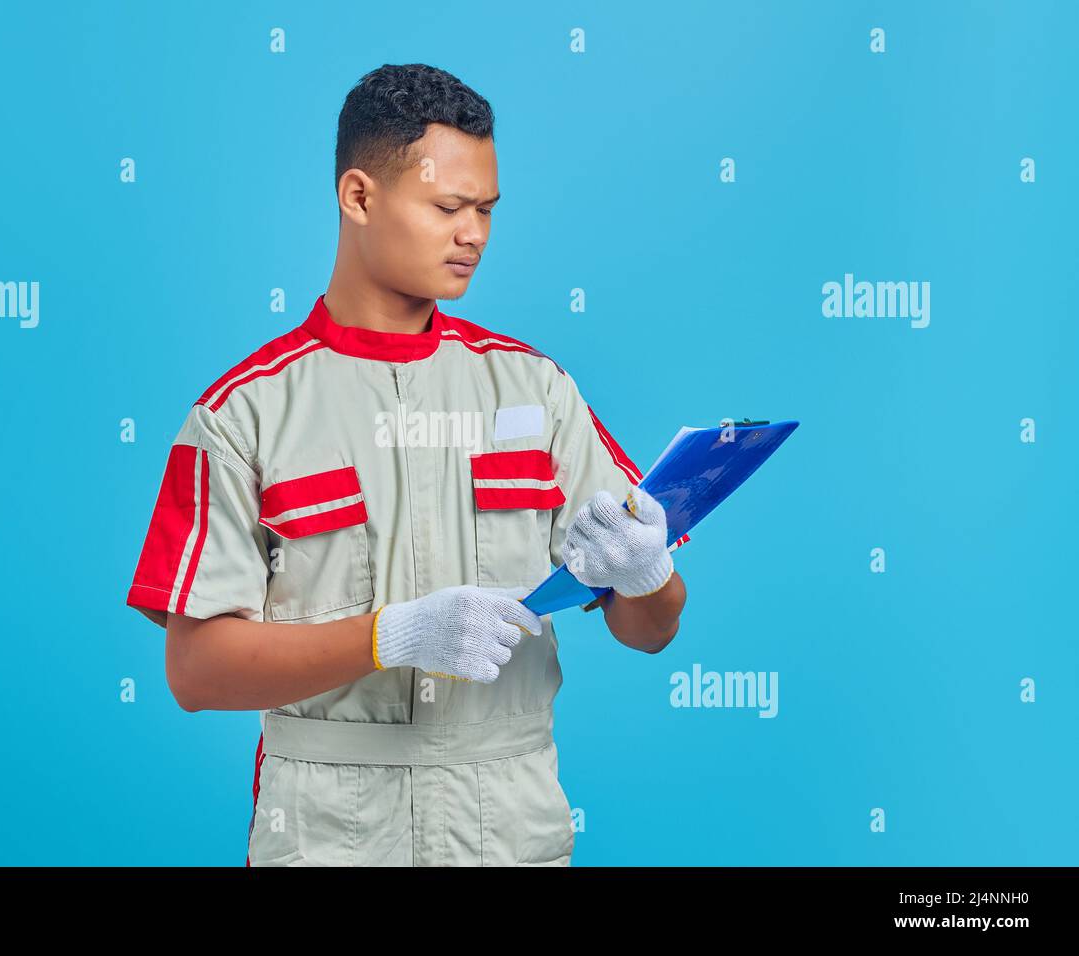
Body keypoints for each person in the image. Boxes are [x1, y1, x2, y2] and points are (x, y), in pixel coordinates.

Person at [124, 63, 687, 866]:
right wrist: (394, 635)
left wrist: (647, 576)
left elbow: (651, 630)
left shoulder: (537, 389)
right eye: (449, 207)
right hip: (330, 835)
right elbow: (197, 671)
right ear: (358, 197)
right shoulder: (242, 412)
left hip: (512, 830)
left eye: (487, 210)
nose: (475, 235)